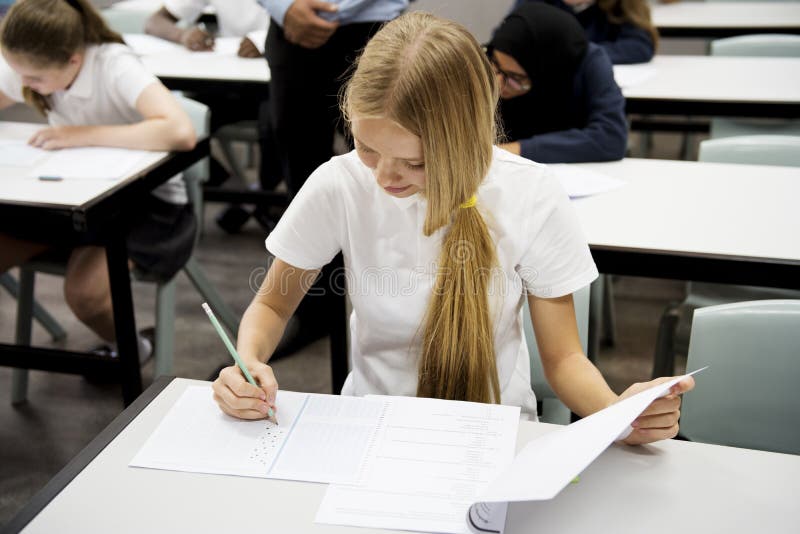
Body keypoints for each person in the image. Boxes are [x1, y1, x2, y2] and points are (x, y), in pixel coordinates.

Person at [212, 12, 694, 446]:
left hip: (496, 434)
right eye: (367, 147)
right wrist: (249, 361)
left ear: (464, 142)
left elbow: (565, 360)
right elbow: (274, 303)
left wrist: (618, 414)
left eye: (414, 163)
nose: (383, 177)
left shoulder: (528, 193)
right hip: (372, 429)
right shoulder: (341, 183)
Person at [0, 0, 197, 361]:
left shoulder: (113, 63)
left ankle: (132, 351)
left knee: (86, 295)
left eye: (35, 80)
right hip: (65, 196)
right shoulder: (31, 62)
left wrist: (83, 134)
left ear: (74, 60)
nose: (24, 85)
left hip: (145, 205)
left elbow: (181, 131)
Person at [492, 2, 627, 163]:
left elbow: (610, 138)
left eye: (515, 78)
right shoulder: (490, 58)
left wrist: (517, 149)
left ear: (544, 73)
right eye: (496, 67)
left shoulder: (589, 63)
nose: (498, 84)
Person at [514, 0, 658, 64]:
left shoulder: (620, 5)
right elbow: (508, 39)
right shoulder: (536, 3)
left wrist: (579, 53)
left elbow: (640, 46)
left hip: (595, 85)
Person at [144, 0, 269, 58]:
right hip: (230, 68)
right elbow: (154, 21)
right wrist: (183, 35)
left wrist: (263, 41)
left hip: (276, 69)